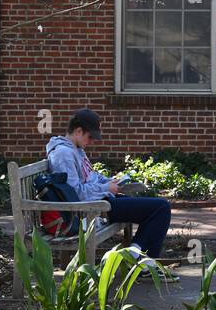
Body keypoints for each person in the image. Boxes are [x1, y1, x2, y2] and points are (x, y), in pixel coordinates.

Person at [46, 108, 172, 259]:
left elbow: (91, 177)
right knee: (161, 208)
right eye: (90, 136)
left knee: (157, 208)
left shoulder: (76, 150)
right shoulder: (63, 154)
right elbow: (75, 193)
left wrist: (109, 182)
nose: (92, 141)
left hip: (100, 201)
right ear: (78, 131)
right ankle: (139, 258)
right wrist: (107, 188)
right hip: (92, 209)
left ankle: (137, 254)